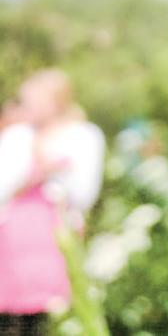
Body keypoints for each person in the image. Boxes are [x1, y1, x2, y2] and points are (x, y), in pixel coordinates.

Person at [0, 70, 105, 335]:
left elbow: (84, 195)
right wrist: (33, 173)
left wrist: (53, 171)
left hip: (56, 242)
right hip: (11, 245)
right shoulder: (17, 137)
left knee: (50, 319)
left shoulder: (83, 136)